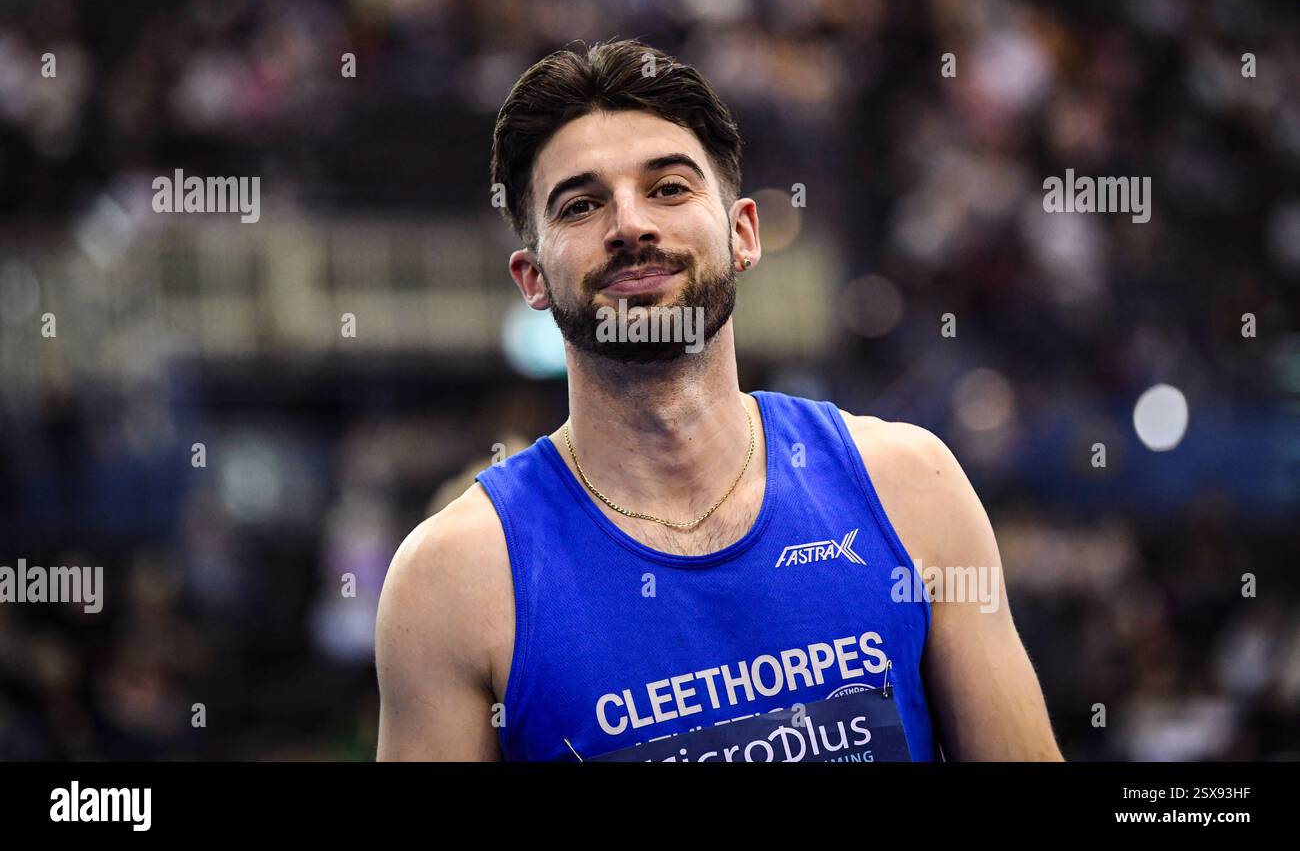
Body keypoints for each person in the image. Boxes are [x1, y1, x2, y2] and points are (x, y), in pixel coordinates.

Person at [375, 39, 1063, 762]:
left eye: (669, 188)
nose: (630, 224)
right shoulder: (452, 581)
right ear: (533, 279)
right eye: (581, 205)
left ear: (743, 234)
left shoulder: (911, 485)